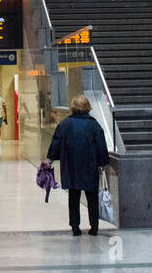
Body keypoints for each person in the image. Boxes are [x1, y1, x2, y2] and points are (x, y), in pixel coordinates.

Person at [42, 94, 109, 236]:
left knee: (73, 196)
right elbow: (101, 145)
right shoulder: (93, 124)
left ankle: (75, 226)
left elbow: (56, 142)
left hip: (71, 166)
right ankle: (94, 226)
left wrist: (50, 160)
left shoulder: (65, 124)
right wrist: (103, 163)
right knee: (92, 197)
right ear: (87, 107)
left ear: (73, 107)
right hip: (89, 166)